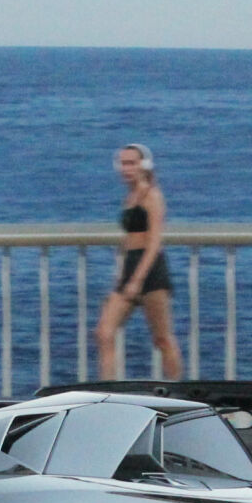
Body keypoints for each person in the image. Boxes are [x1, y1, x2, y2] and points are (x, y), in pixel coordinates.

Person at [96, 142, 184, 381]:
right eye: (123, 164)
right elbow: (129, 239)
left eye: (131, 163)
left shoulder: (152, 196)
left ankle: (178, 392)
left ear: (144, 165)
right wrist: (122, 271)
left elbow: (154, 242)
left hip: (150, 272)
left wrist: (137, 279)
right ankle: (106, 392)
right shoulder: (130, 197)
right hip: (130, 268)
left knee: (162, 338)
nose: (126, 169)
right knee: (104, 332)